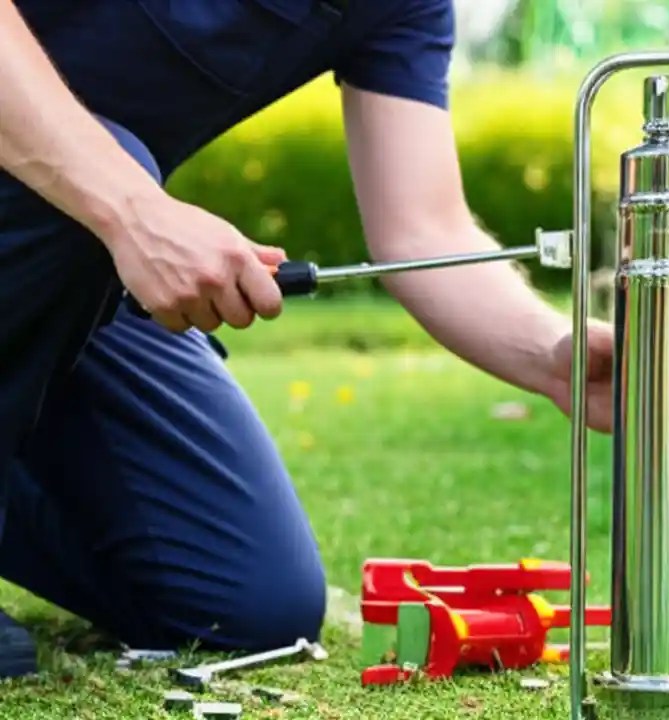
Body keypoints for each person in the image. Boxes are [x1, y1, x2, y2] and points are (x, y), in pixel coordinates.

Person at [0, 0, 615, 677]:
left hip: (66, 267)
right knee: (106, 171)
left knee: (245, 607)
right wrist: (131, 210)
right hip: (70, 208)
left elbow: (424, 231)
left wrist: (551, 356)